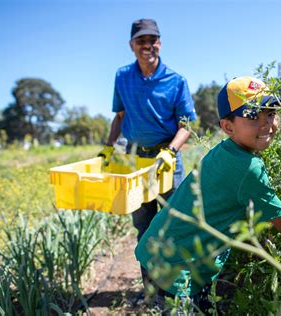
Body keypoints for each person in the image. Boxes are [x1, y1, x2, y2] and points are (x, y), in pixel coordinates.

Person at [135, 76, 281, 314]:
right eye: (253, 116)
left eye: (271, 113)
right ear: (227, 127)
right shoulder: (248, 168)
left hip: (161, 251)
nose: (267, 123)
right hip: (175, 268)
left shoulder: (227, 150)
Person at [97, 18, 197, 293]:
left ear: (160, 43)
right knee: (144, 226)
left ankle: (178, 289)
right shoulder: (122, 77)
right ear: (132, 45)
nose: (147, 45)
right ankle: (152, 290)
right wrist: (108, 147)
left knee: (174, 223)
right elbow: (119, 116)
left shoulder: (176, 81)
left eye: (152, 40)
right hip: (136, 161)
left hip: (167, 159)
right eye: (141, 40)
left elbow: (186, 125)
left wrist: (171, 151)